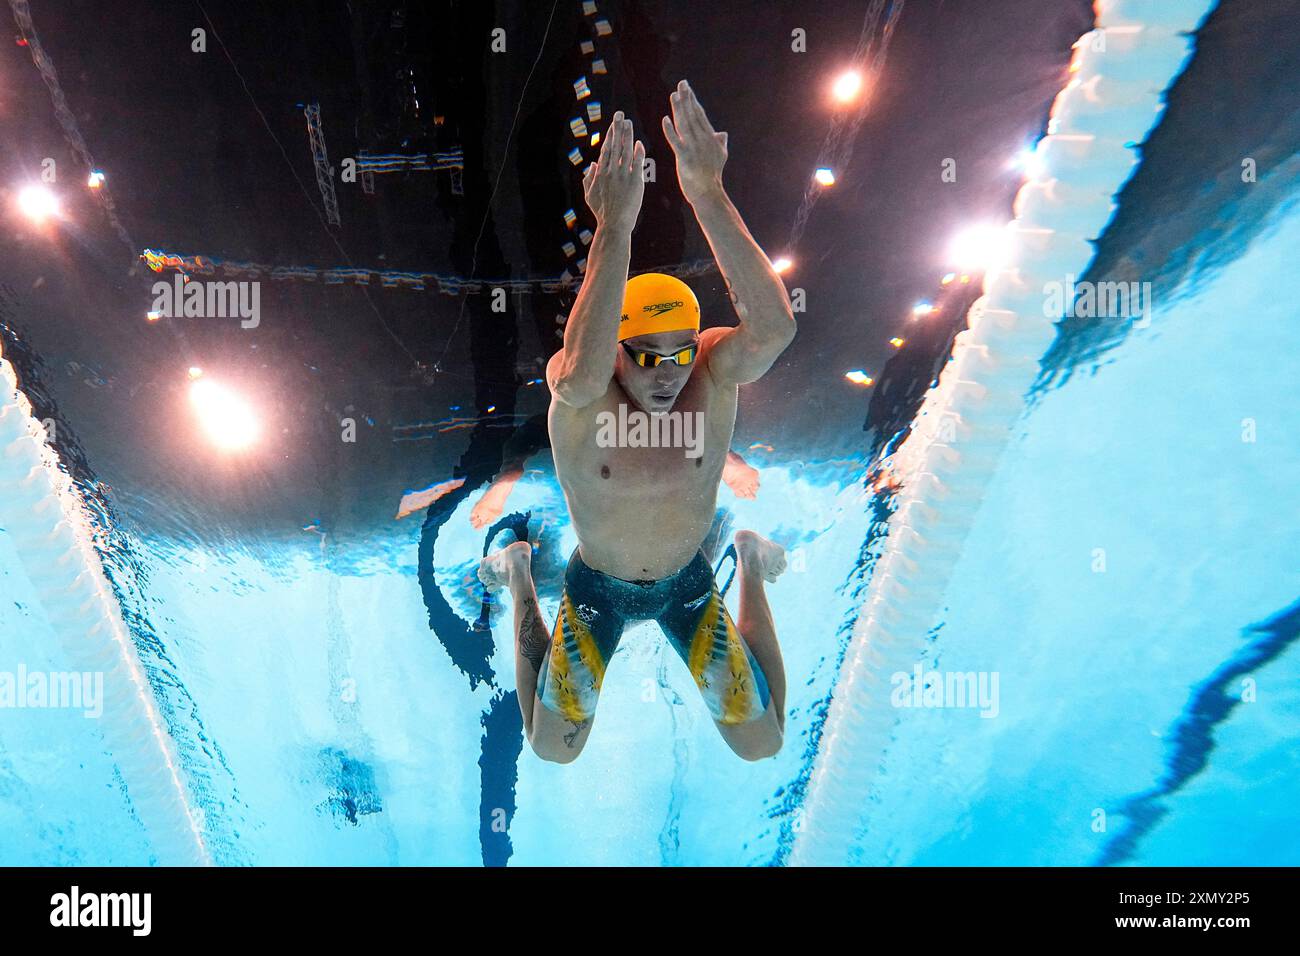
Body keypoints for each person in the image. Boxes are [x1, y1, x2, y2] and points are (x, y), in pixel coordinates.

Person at [479, 80, 795, 762]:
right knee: (551, 748)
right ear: (615, 351)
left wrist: (707, 192)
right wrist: (613, 228)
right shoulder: (583, 389)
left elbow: (772, 329)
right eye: (644, 357)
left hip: (688, 583)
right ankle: (520, 574)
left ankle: (748, 557)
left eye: (678, 352)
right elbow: (584, 370)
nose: (666, 372)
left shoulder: (709, 370)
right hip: (596, 590)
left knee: (762, 743)